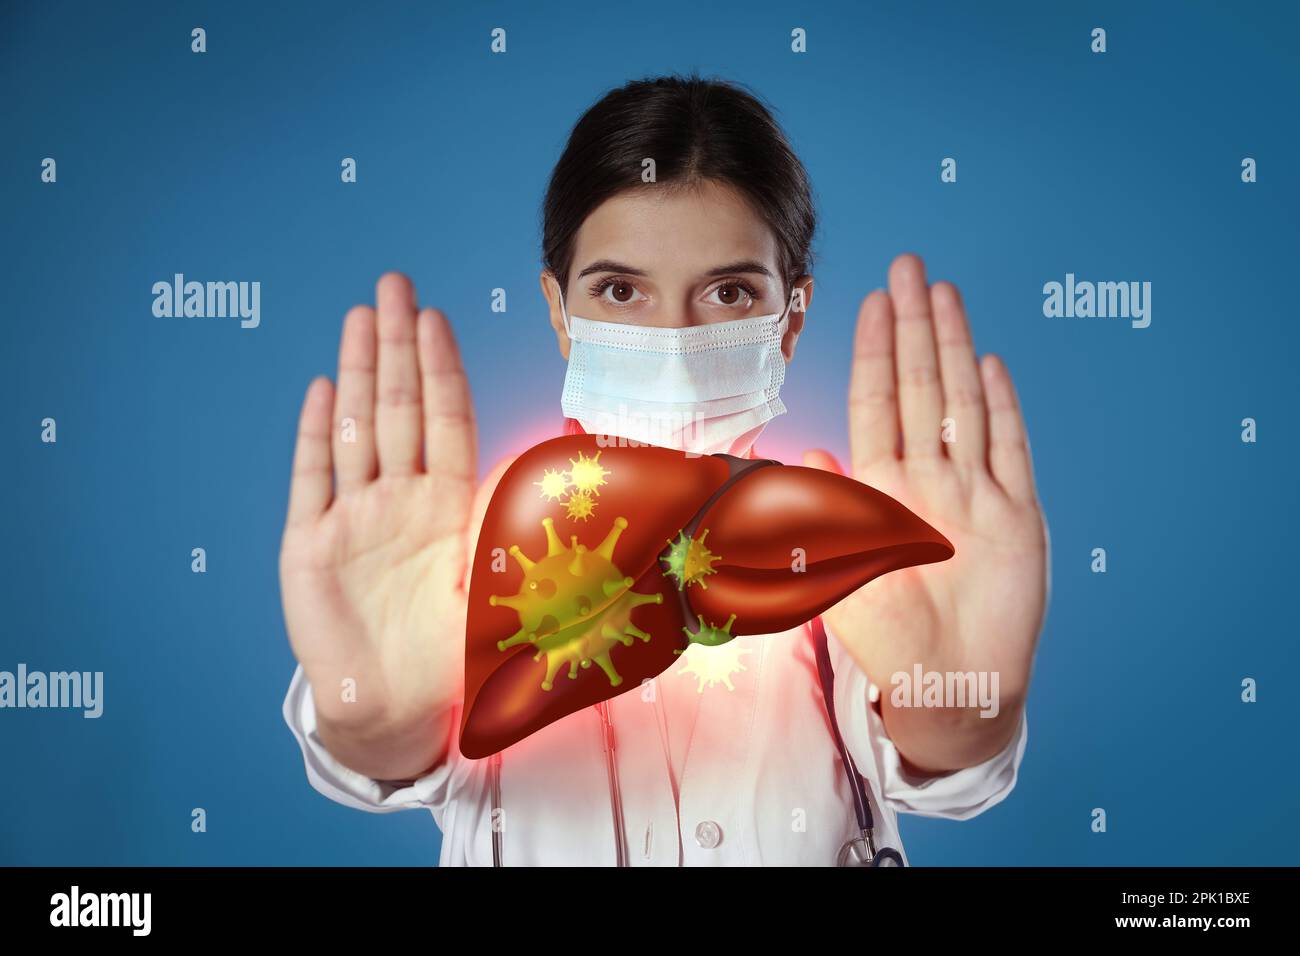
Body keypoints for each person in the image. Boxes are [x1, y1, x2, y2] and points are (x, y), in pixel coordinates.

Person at [279, 75, 1047, 865]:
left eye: (728, 292)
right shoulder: (475, 560)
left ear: (792, 318)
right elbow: (387, 754)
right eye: (619, 290)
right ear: (557, 311)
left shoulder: (851, 553)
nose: (676, 339)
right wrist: (370, 720)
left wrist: (963, 708)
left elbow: (944, 755)